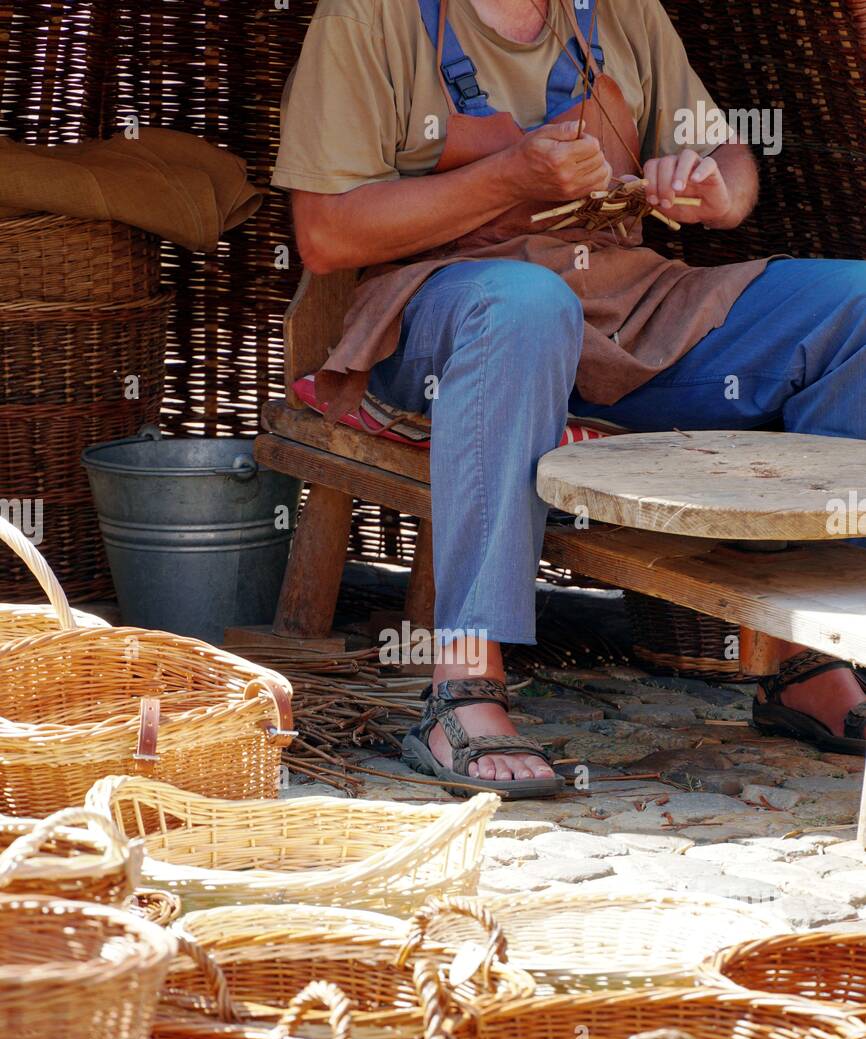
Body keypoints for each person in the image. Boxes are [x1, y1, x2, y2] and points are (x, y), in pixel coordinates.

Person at [274, 0, 866, 799]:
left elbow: (729, 162)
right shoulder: (369, 19)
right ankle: (464, 693)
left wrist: (713, 191)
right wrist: (508, 176)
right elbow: (327, 234)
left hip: (628, 310)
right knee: (524, 305)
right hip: (446, 310)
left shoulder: (623, 14)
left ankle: (811, 657)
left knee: (857, 305)